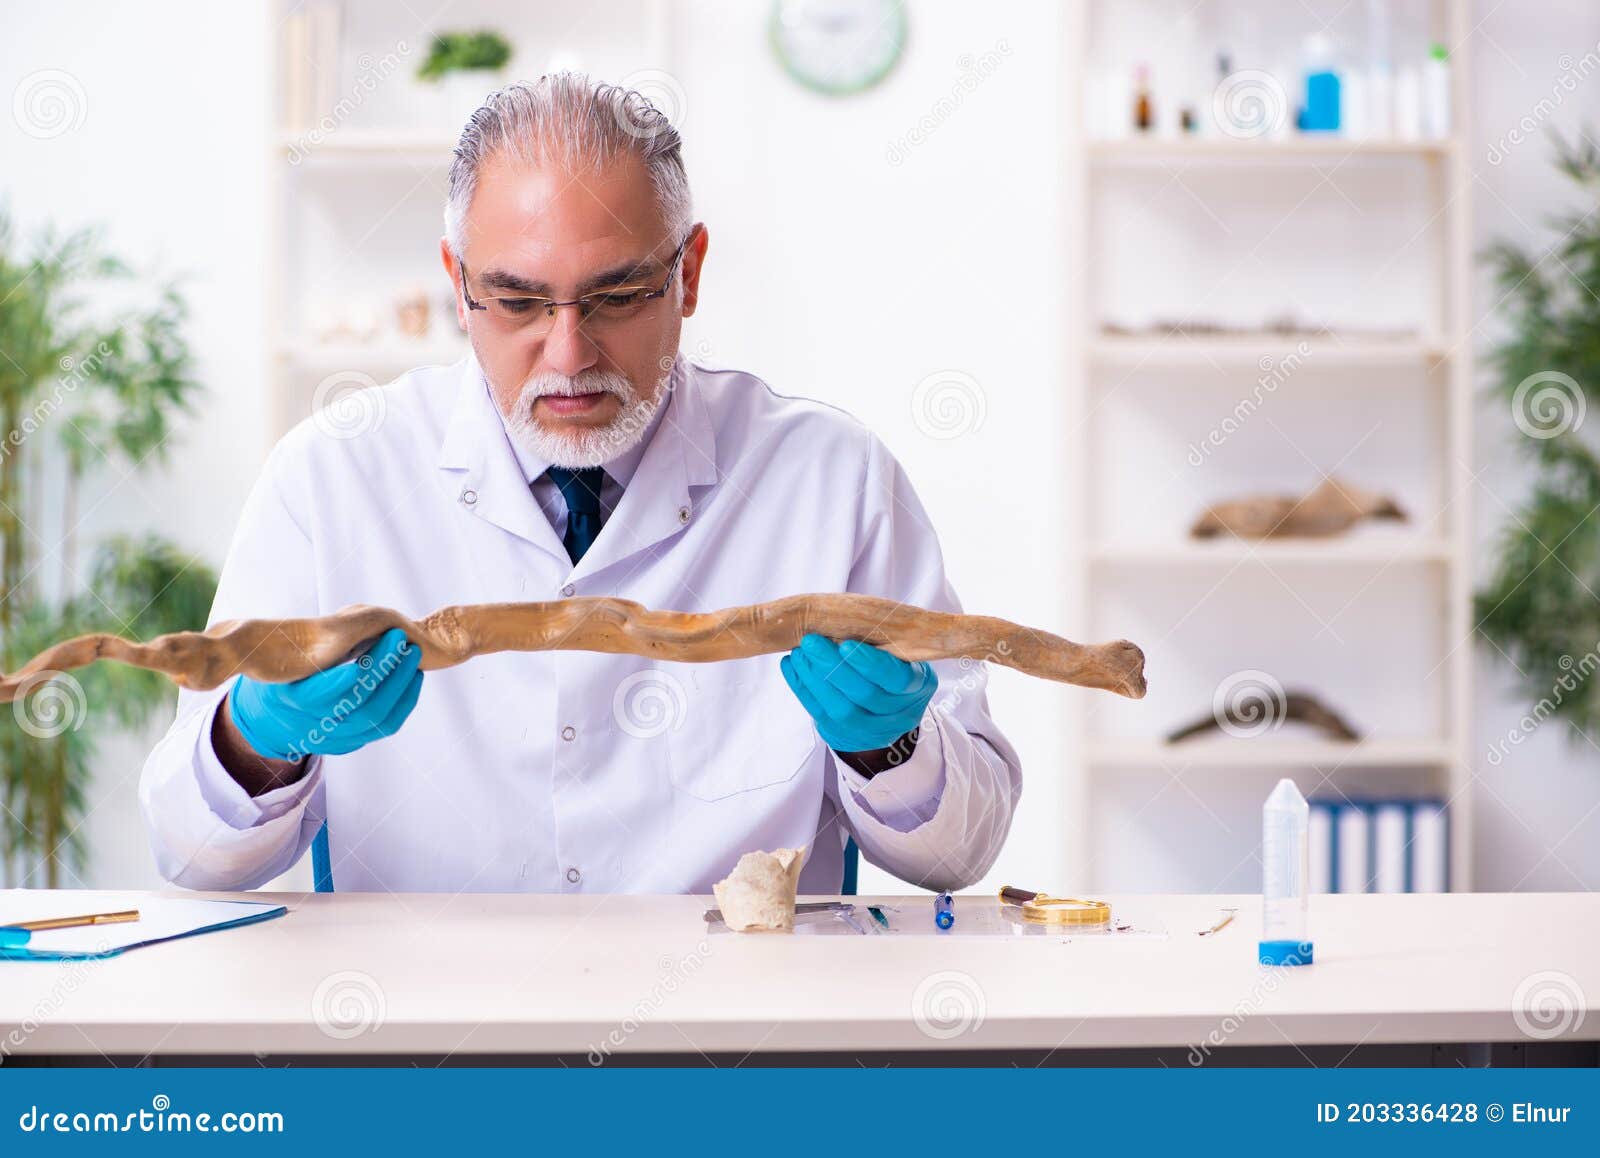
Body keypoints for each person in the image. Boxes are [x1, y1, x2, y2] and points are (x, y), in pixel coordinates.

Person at [139, 73, 1021, 895]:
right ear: (456, 285)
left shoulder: (831, 479)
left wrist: (891, 746)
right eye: (518, 302)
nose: (568, 357)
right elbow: (191, 856)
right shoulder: (332, 479)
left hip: (740, 1038)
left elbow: (960, 854)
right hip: (424, 1038)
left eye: (617, 296)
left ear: (690, 274)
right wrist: (256, 741)